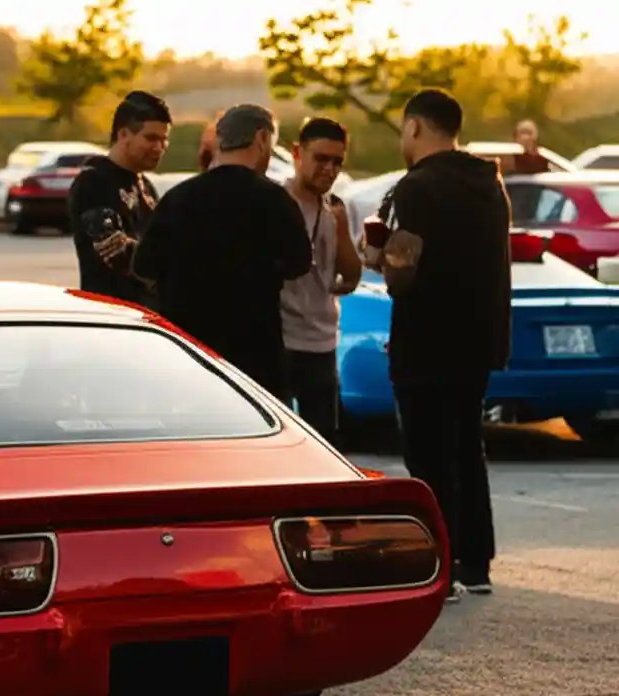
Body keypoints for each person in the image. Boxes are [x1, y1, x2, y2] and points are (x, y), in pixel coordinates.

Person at [367, 88, 511, 602]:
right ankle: (475, 563)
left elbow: (403, 271)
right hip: (478, 339)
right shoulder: (489, 183)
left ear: (415, 127)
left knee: (427, 455)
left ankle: (439, 567)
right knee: (467, 448)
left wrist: (377, 255)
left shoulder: (418, 187)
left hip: (426, 338)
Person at [125, 103, 312, 398]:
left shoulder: (178, 198)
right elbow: (299, 264)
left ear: (221, 140)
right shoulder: (275, 201)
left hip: (187, 354)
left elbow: (143, 266)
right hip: (254, 358)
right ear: (262, 138)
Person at [280, 117, 363, 444]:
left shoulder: (336, 209)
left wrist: (340, 229)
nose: (329, 170)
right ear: (297, 153)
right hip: (281, 336)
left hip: (322, 340)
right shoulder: (277, 201)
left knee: (324, 438)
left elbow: (351, 276)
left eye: (337, 162)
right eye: (321, 159)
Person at [66, 90, 171, 309]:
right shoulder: (94, 182)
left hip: (149, 316)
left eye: (164, 139)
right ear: (123, 134)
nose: (159, 148)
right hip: (111, 315)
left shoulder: (146, 186)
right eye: (151, 138)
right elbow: (114, 252)